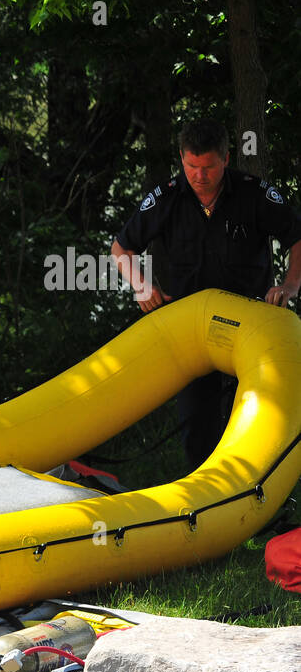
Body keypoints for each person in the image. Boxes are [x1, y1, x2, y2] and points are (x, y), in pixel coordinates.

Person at [111, 118, 301, 466]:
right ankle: (203, 511)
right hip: (190, 337)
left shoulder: (253, 193)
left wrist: (290, 284)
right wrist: (141, 285)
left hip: (251, 330)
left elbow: (297, 237)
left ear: (226, 159)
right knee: (197, 436)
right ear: (181, 159)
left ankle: (264, 510)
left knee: (257, 430)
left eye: (208, 166)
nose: (199, 175)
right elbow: (121, 249)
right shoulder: (166, 196)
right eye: (191, 166)